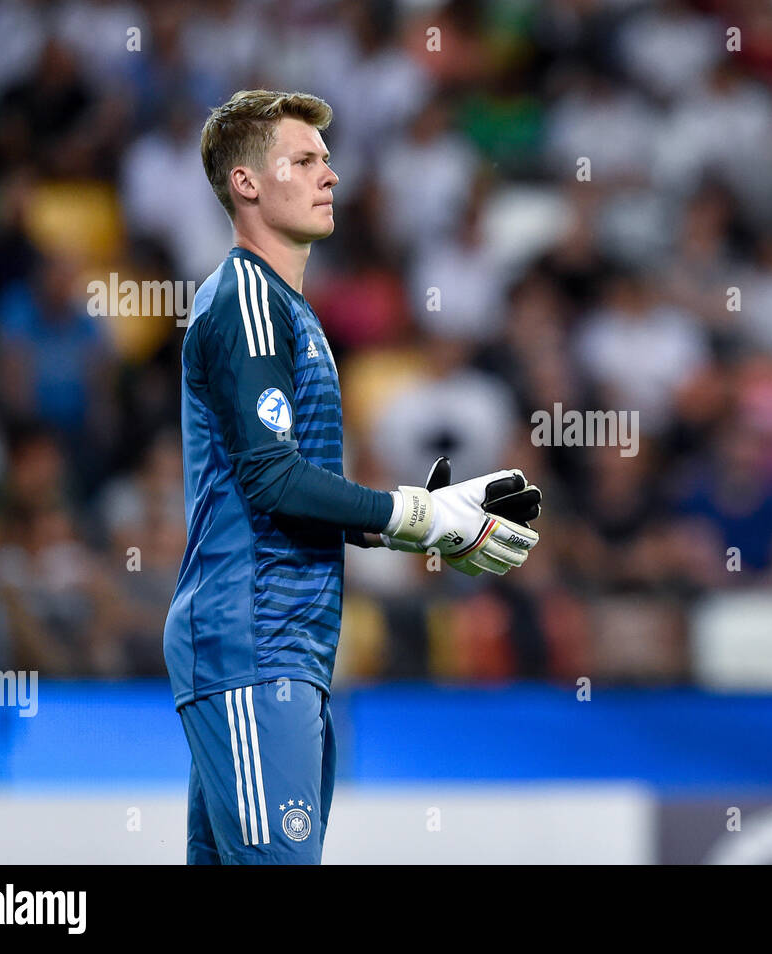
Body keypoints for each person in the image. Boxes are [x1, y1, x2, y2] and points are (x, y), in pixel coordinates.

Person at [164, 90, 543, 864]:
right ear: (246, 183)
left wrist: (426, 514)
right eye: (303, 161)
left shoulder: (290, 312)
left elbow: (293, 495)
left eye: (327, 160)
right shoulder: (248, 302)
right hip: (254, 636)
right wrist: (421, 518)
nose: (329, 176)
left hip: (279, 641)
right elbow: (273, 481)